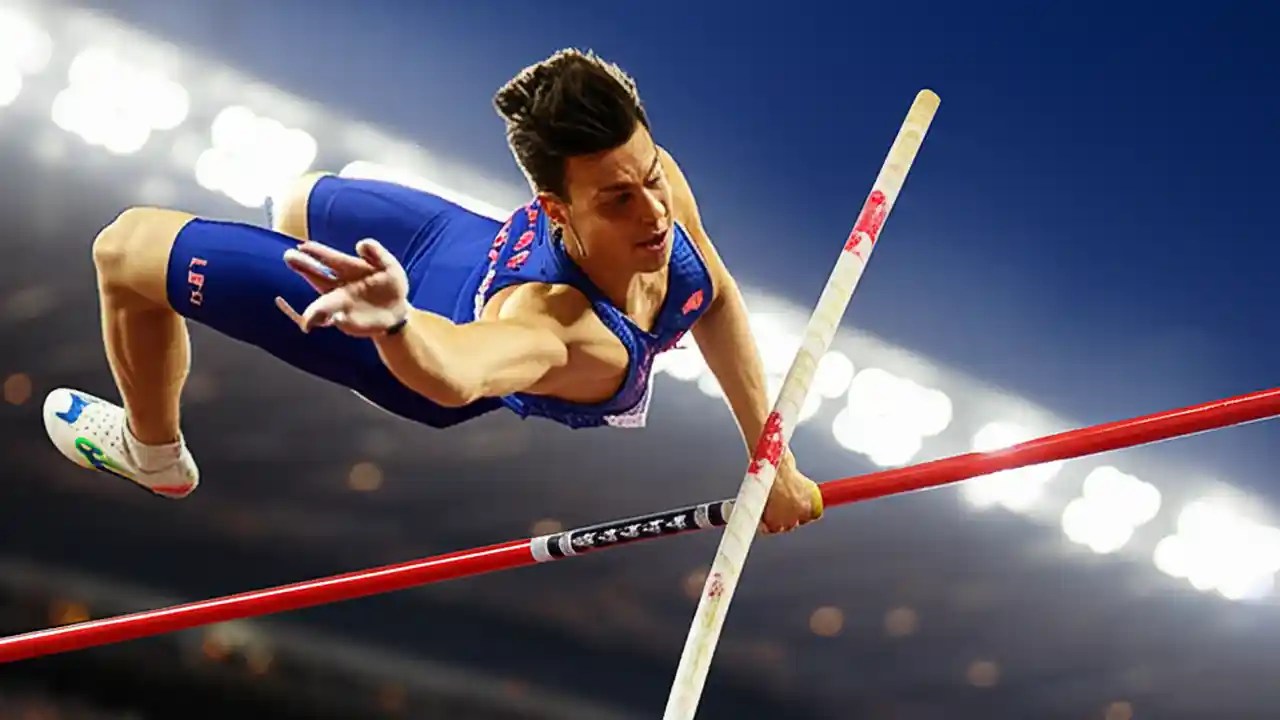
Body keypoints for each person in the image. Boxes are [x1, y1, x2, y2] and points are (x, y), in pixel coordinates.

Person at [42, 48, 822, 533]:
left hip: (414, 344)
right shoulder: (599, 217)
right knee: (299, 196)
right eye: (619, 197)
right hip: (460, 250)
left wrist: (772, 461)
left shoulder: (560, 329)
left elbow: (454, 374)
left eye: (652, 178)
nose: (656, 213)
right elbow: (710, 299)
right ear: (556, 209)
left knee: (123, 246)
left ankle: (152, 455)